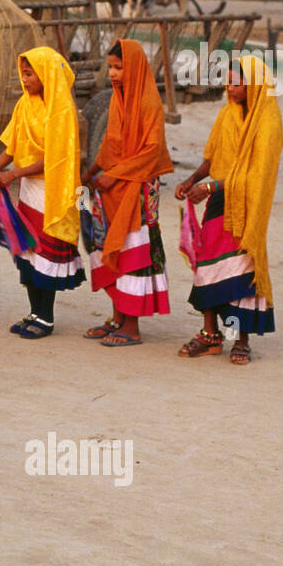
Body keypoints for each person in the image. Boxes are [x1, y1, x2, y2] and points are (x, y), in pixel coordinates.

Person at [175, 54, 282, 365]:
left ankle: (241, 338)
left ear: (255, 85)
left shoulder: (269, 123)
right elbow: (213, 157)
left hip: (246, 208)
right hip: (219, 202)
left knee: (240, 271)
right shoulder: (226, 115)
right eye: (227, 80)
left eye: (236, 82)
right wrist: (193, 178)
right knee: (208, 266)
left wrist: (211, 187)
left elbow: (257, 176)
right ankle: (209, 334)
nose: (228, 86)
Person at [0, 46, 83, 338]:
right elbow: (11, 149)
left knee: (45, 252)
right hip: (29, 191)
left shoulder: (61, 111)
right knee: (30, 252)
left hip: (53, 191)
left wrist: (14, 174)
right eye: (23, 73)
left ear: (46, 75)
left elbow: (54, 160)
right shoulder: (24, 104)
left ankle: (46, 318)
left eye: (30, 73)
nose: (25, 78)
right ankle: (34, 311)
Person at [80, 39, 174, 346]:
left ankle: (132, 327)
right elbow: (111, 145)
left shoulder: (149, 103)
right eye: (111, 67)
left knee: (134, 251)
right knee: (112, 248)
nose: (114, 74)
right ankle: (117, 317)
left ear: (133, 68)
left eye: (119, 67)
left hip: (138, 190)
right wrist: (92, 172)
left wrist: (114, 175)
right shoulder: (118, 100)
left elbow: (151, 152)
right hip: (115, 188)